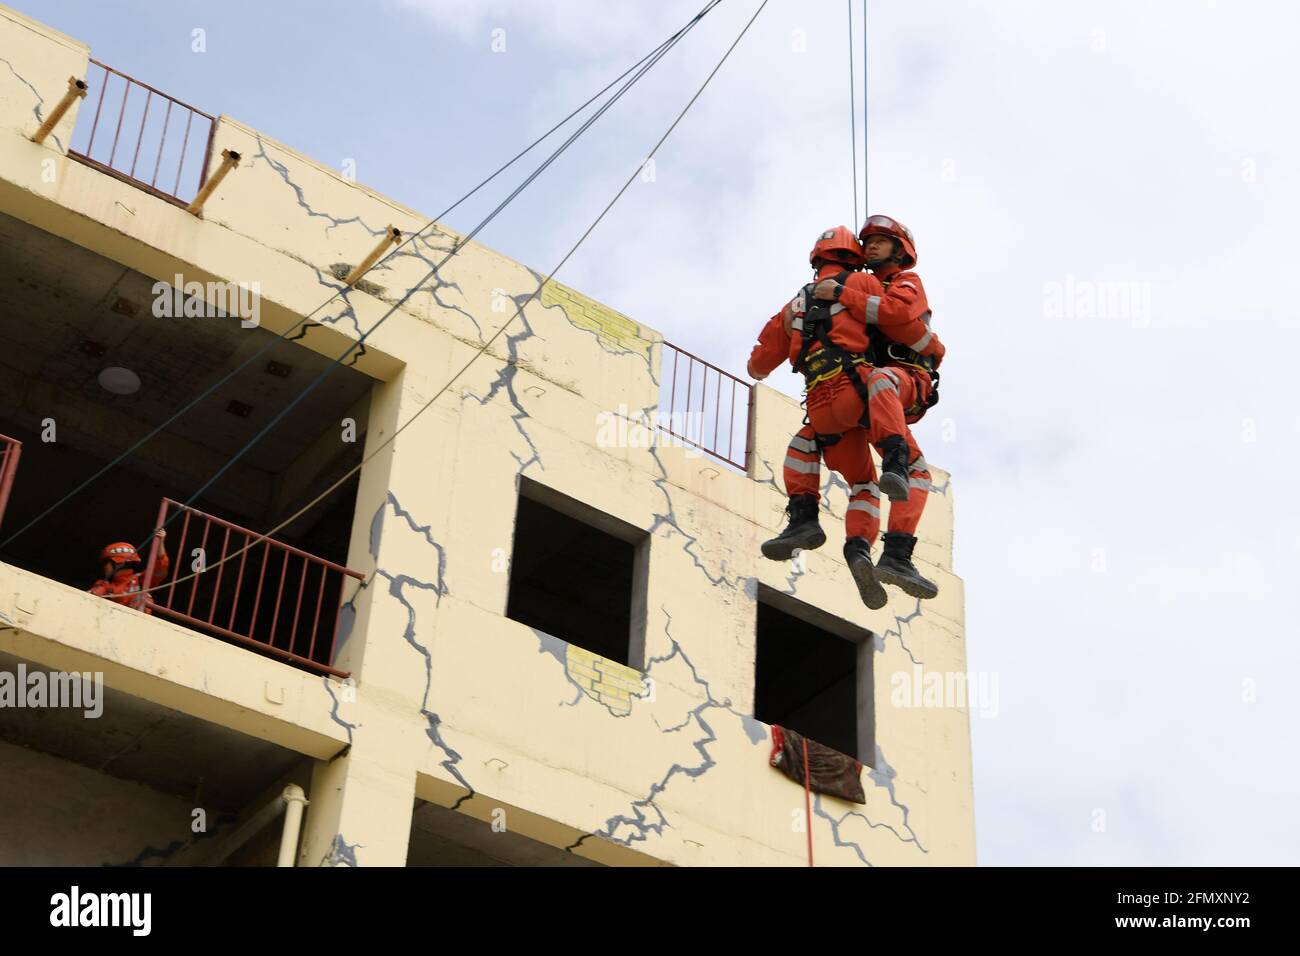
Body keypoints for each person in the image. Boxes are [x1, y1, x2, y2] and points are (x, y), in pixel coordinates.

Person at [89, 528, 169, 614]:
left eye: (106, 562)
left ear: (117, 563)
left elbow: (160, 568)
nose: (104, 567)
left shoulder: (141, 580)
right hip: (111, 623)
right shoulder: (104, 585)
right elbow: (88, 600)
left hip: (137, 624)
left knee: (143, 597)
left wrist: (160, 542)